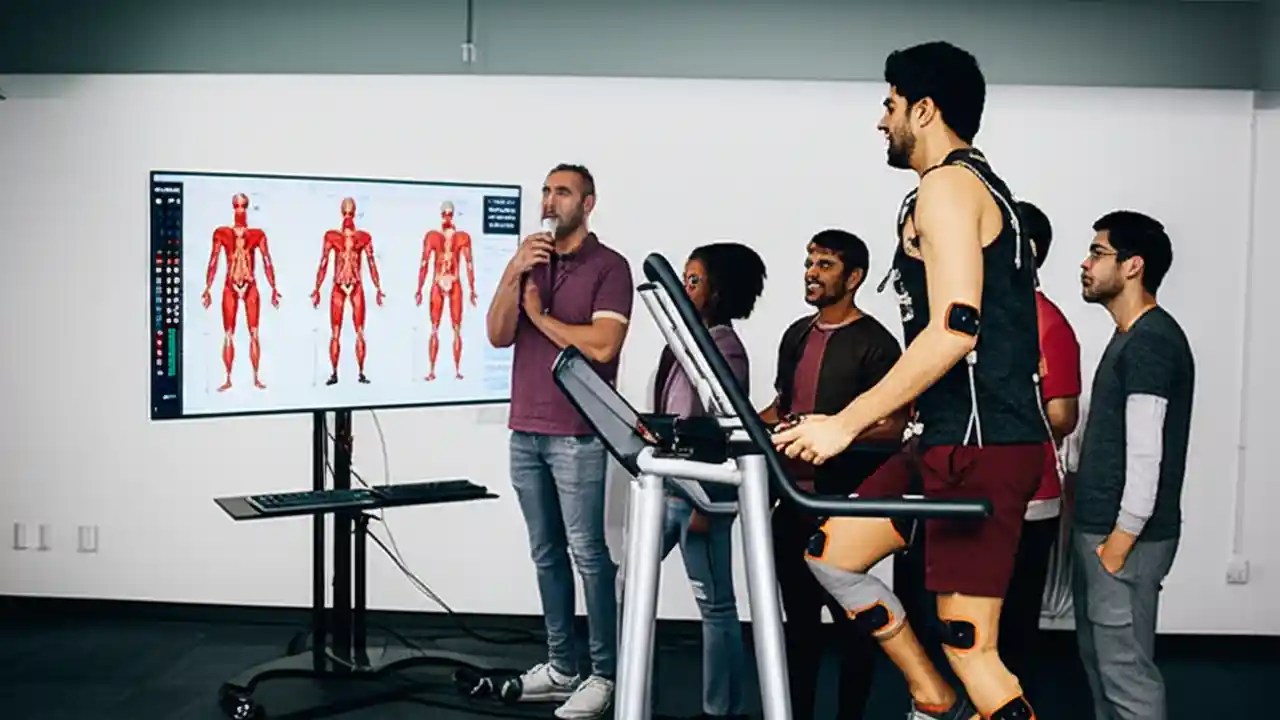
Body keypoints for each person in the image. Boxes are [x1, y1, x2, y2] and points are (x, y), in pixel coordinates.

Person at [772, 41, 1050, 720]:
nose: (881, 120)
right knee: (830, 554)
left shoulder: (949, 186)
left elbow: (957, 328)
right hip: (944, 442)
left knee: (969, 643)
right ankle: (929, 698)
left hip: (984, 448)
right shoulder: (964, 188)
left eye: (890, 105)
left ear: (924, 109)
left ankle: (943, 690)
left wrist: (843, 424)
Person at [485, 163, 633, 720]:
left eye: (563, 191)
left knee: (589, 556)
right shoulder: (530, 263)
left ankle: (604, 675)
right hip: (525, 431)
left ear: (588, 203)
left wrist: (541, 318)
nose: (550, 200)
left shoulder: (609, 267)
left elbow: (600, 346)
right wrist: (513, 271)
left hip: (578, 436)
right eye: (546, 190)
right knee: (545, 554)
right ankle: (561, 668)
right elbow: (499, 334)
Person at [758, 229, 907, 720]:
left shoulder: (876, 344)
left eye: (824, 265)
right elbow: (783, 407)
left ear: (854, 277)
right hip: (790, 501)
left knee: (851, 625)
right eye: (809, 263)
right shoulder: (796, 334)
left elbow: (894, 426)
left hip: (842, 508)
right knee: (796, 628)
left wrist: (838, 431)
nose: (812, 273)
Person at [633, 242, 766, 720]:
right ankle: (637, 697)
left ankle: (721, 709)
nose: (683, 289)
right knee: (631, 586)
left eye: (693, 281)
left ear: (717, 292)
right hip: (666, 489)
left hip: (698, 496)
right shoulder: (683, 341)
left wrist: (706, 508)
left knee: (716, 606)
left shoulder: (724, 347)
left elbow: (718, 431)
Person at [1073, 210, 1193, 720]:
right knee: (1105, 668)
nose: (1085, 262)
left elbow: (1147, 453)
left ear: (1132, 266)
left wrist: (1119, 543)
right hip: (1106, 533)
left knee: (1126, 675)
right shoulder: (1130, 336)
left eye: (1098, 252)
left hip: (1123, 539)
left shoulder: (1150, 342)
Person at [996, 200, 1082, 693]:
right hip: (979, 492)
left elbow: (1063, 417)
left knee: (1012, 627)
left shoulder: (1047, 324)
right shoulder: (985, 317)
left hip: (1029, 499)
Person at [416, 200, 477, 381]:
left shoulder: (462, 237)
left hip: (454, 282)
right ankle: (432, 370)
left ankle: (457, 370)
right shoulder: (433, 237)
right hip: (438, 282)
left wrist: (472, 289)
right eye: (445, 214)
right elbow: (424, 263)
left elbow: (469, 264)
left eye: (450, 214)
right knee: (434, 328)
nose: (447, 217)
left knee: (456, 329)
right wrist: (419, 288)